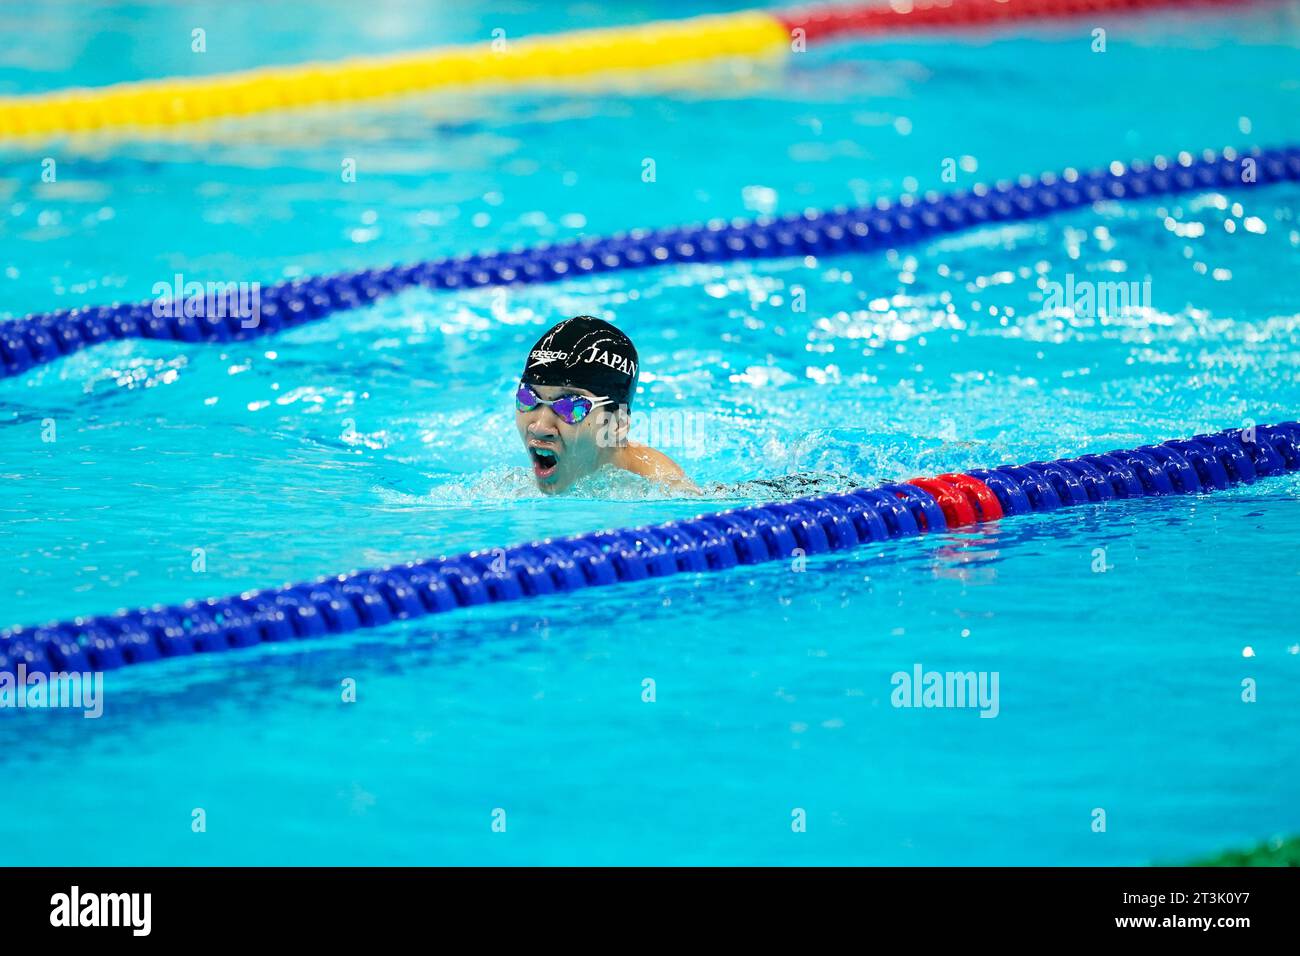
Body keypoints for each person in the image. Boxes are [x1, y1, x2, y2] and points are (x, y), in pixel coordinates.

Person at [514, 315, 695, 495]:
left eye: (570, 406)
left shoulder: (666, 490)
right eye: (528, 399)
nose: (539, 427)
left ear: (617, 424)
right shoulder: (514, 487)